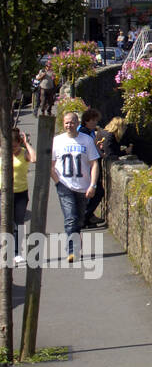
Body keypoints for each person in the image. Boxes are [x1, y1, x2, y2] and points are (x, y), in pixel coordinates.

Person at [50, 109, 100, 262]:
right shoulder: (57, 141)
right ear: (63, 124)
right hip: (64, 185)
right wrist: (57, 182)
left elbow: (94, 164)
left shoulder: (86, 140)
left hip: (83, 187)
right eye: (66, 123)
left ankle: (76, 245)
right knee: (70, 218)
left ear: (77, 124)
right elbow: (50, 164)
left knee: (79, 220)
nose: (69, 125)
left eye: (72, 122)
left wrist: (93, 185)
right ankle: (72, 251)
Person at [8, 126, 37, 265]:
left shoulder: (24, 153)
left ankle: (16, 252)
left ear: (19, 142)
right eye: (10, 146)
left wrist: (27, 143)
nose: (13, 149)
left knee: (18, 223)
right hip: (4, 193)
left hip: (20, 193)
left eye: (15, 146)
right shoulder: (3, 153)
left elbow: (34, 159)